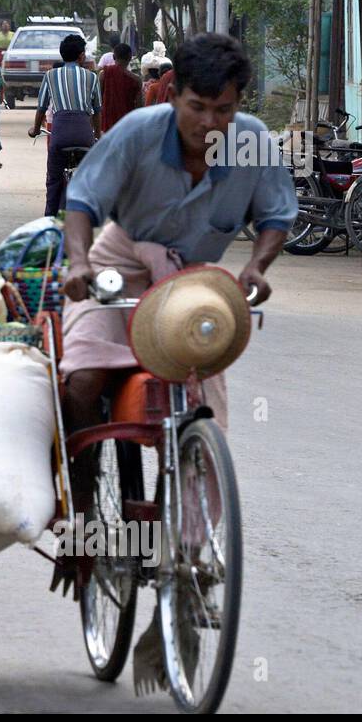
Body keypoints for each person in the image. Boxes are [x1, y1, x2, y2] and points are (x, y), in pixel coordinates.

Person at [57, 31, 297, 438]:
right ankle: (82, 481)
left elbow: (276, 214)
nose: (209, 123)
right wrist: (79, 263)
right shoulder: (137, 132)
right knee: (84, 377)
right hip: (119, 262)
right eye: (197, 107)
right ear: (173, 97)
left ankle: (193, 475)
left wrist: (258, 267)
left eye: (223, 110)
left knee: (197, 384)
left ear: (239, 104)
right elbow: (82, 199)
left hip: (191, 278)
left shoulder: (252, 140)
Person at [28, 33, 100, 215]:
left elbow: (41, 107)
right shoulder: (92, 77)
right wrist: (97, 135)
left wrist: (35, 129)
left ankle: (49, 223)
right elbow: (97, 110)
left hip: (60, 135)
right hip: (84, 135)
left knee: (53, 182)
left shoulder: (50, 76)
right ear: (81, 56)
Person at [98, 42, 142, 133]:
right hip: (127, 126)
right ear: (130, 57)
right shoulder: (136, 80)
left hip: (107, 127)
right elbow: (139, 107)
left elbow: (99, 100)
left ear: (114, 57)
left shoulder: (104, 74)